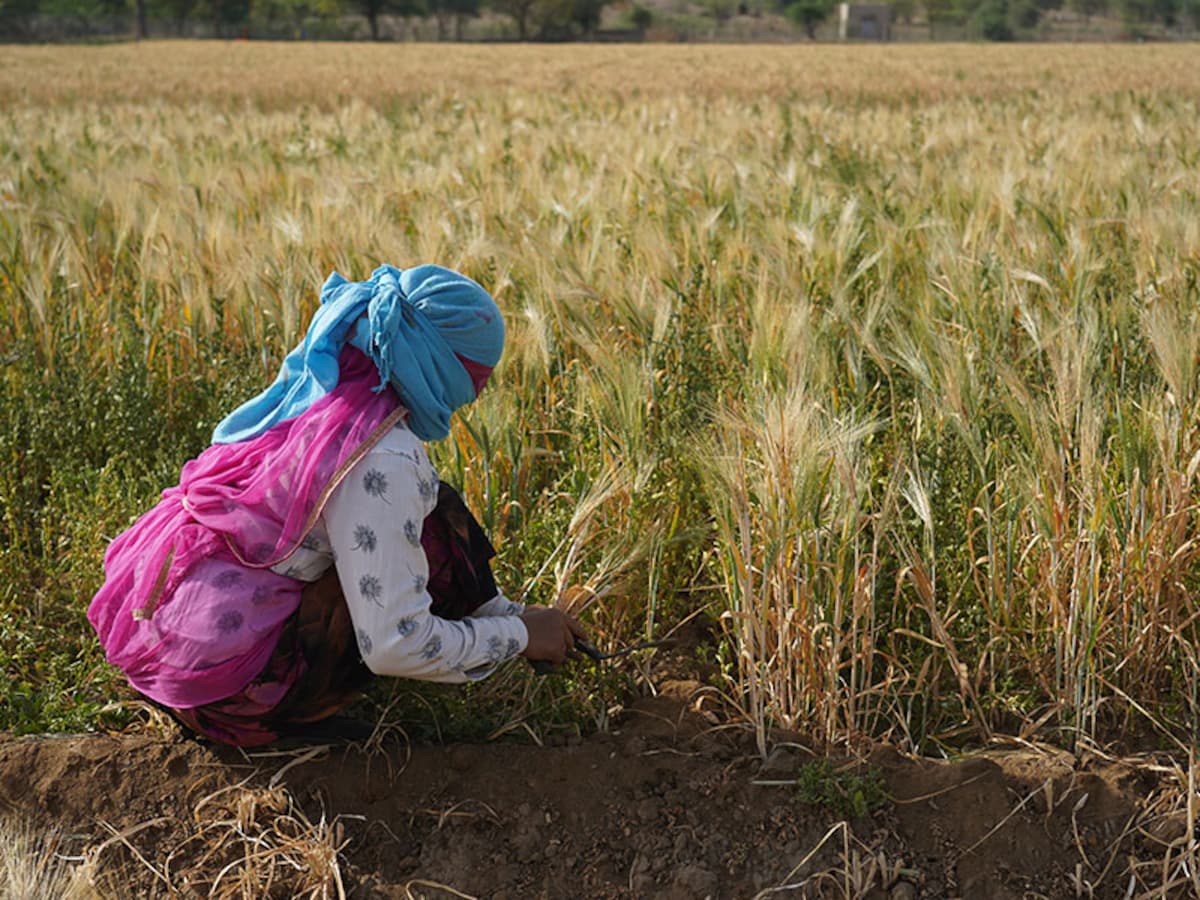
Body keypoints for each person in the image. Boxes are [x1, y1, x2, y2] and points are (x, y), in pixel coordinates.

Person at [88, 264, 585, 747]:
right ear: (446, 368)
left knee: (432, 509)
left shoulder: (316, 390)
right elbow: (395, 644)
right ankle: (284, 716)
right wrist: (517, 636)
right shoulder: (385, 461)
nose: (476, 393)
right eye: (478, 376)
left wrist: (511, 614)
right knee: (429, 533)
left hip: (162, 643)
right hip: (227, 691)